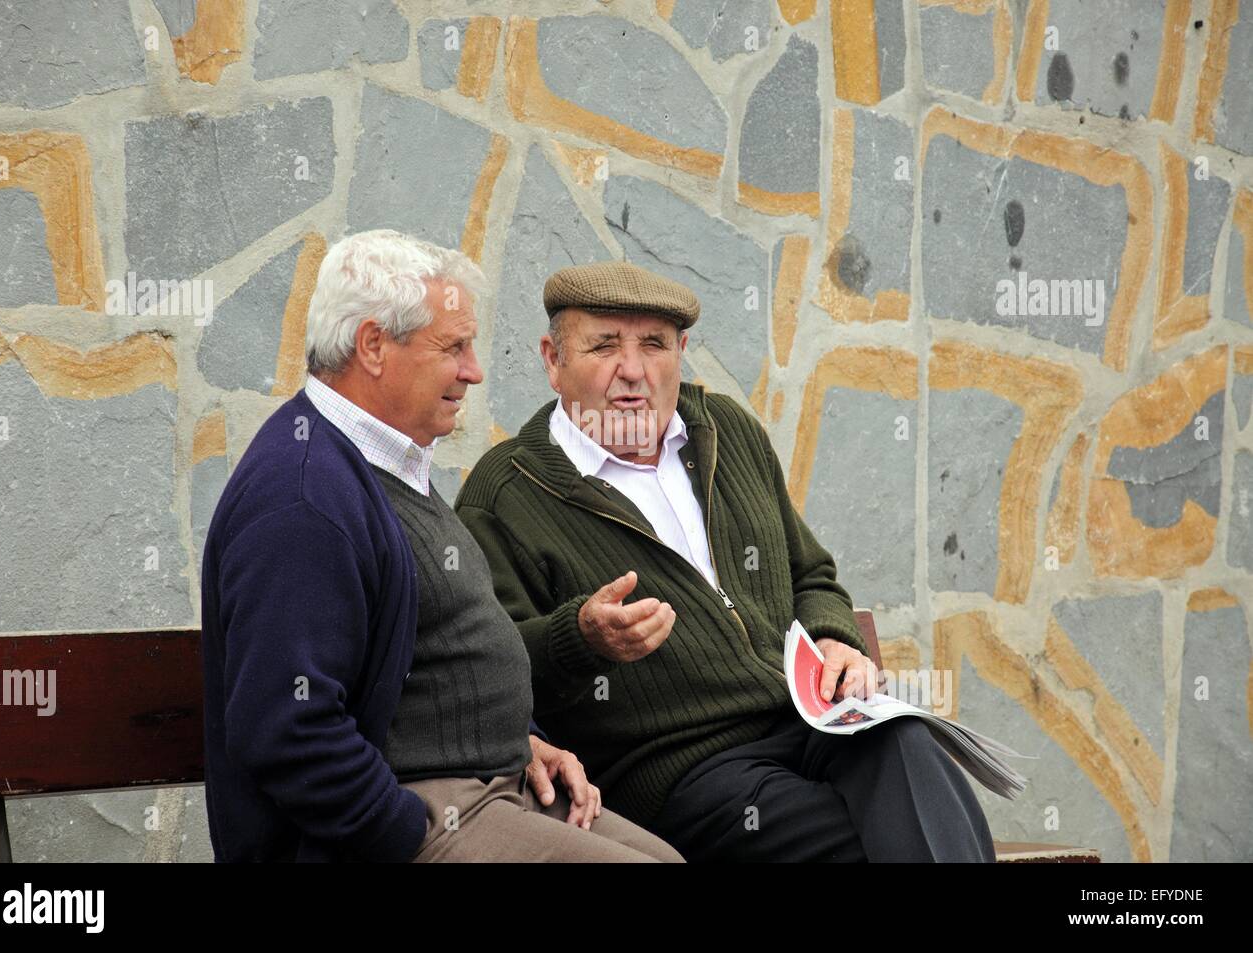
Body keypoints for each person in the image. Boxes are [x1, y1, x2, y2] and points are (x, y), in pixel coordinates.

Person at [455, 260, 996, 862]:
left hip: (807, 722)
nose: (632, 371)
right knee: (883, 843)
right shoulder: (506, 492)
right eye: (604, 346)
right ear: (553, 360)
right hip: (682, 772)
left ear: (682, 352)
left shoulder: (727, 431)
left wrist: (834, 637)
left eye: (655, 346)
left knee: (905, 740)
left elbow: (811, 575)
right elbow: (486, 673)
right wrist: (580, 637)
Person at [200, 232, 681, 862]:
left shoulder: (384, 464)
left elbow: (433, 656)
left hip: (495, 785)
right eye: (453, 346)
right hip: (413, 816)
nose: (474, 370)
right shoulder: (303, 497)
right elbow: (288, 731)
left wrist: (522, 741)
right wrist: (400, 830)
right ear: (373, 345)